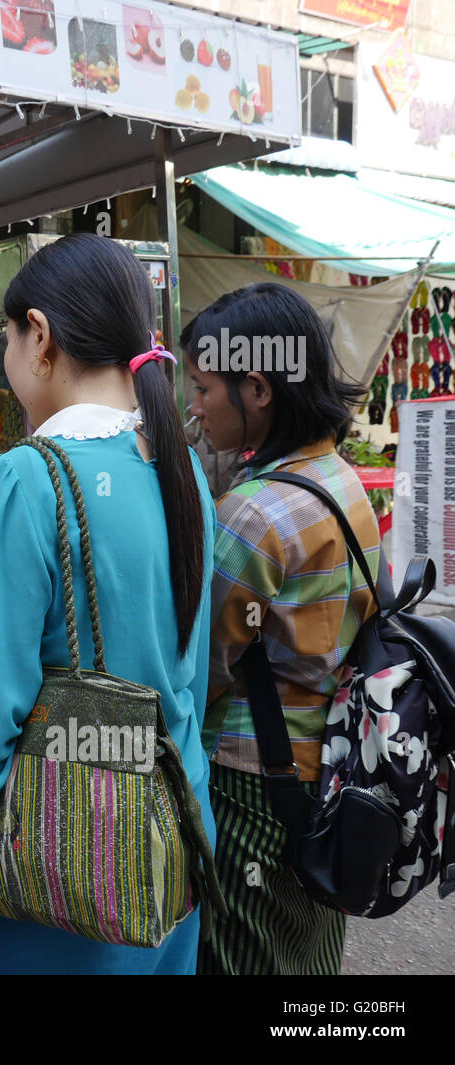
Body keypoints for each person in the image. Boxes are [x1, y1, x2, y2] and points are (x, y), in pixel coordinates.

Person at [0, 233, 216, 975]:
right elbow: (189, 681)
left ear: (38, 337)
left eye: (7, 339)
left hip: (62, 869)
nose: (8, 359)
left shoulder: (25, 478)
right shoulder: (181, 471)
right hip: (168, 847)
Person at [183, 283, 378, 976]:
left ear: (257, 388)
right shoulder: (341, 481)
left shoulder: (254, 513)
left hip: (249, 791)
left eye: (204, 388)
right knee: (303, 960)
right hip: (324, 772)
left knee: (242, 955)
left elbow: (201, 668)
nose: (197, 406)